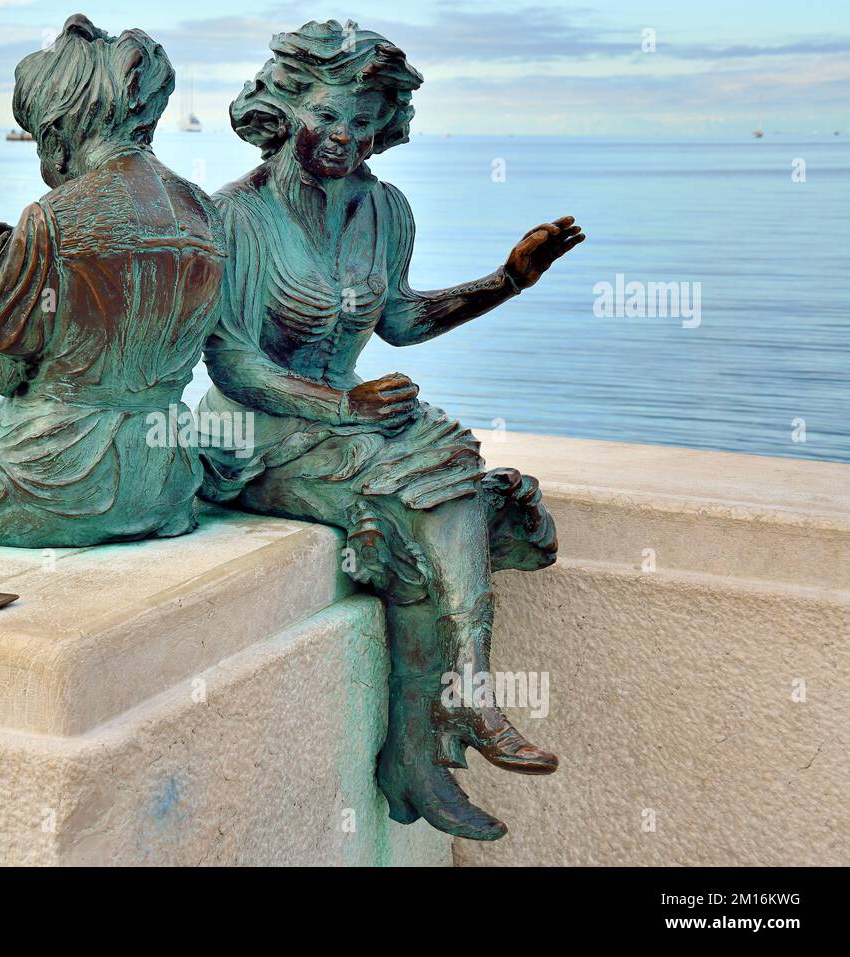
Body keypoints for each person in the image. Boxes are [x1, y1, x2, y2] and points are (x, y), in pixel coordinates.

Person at [197, 20, 584, 839]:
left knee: (446, 483)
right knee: (438, 491)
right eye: (331, 118)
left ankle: (427, 746)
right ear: (283, 109)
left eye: (366, 125)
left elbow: (400, 320)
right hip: (257, 436)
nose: (347, 139)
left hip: (356, 421)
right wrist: (345, 406)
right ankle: (466, 705)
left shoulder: (385, 208)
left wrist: (507, 281)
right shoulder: (232, 217)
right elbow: (230, 362)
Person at [0, 16, 225, 547]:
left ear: (57, 134)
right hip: (167, 478)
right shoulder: (205, 213)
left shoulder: (50, 219)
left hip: (62, 476)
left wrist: (3, 272)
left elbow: (6, 377)